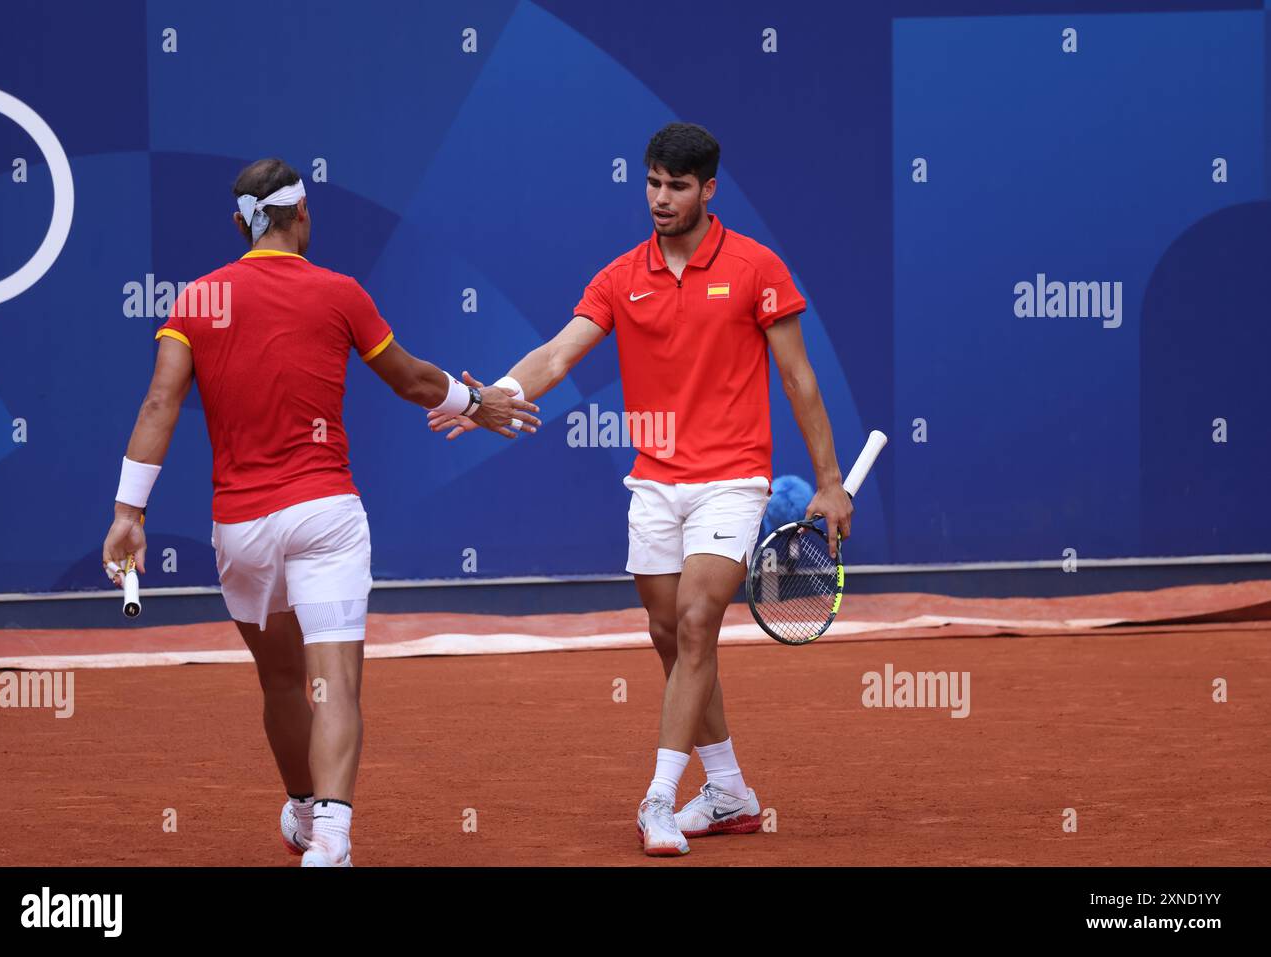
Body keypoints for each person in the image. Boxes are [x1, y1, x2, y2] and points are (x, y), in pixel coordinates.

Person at [100, 157, 540, 866]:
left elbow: (160, 403)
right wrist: (477, 403)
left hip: (241, 528)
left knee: (279, 681)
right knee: (332, 679)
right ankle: (330, 835)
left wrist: (129, 512)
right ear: (301, 215)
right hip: (325, 511)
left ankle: (307, 814)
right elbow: (411, 379)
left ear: (238, 224)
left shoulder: (197, 301)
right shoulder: (339, 292)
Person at [430, 123, 853, 856]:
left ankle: (658, 798)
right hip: (655, 483)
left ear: (708, 189)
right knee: (670, 637)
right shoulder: (621, 276)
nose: (660, 198)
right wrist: (492, 395)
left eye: (676, 186)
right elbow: (560, 353)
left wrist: (829, 481)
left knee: (695, 623)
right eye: (652, 182)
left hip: (733, 477)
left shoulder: (757, 268)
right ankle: (729, 791)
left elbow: (799, 379)